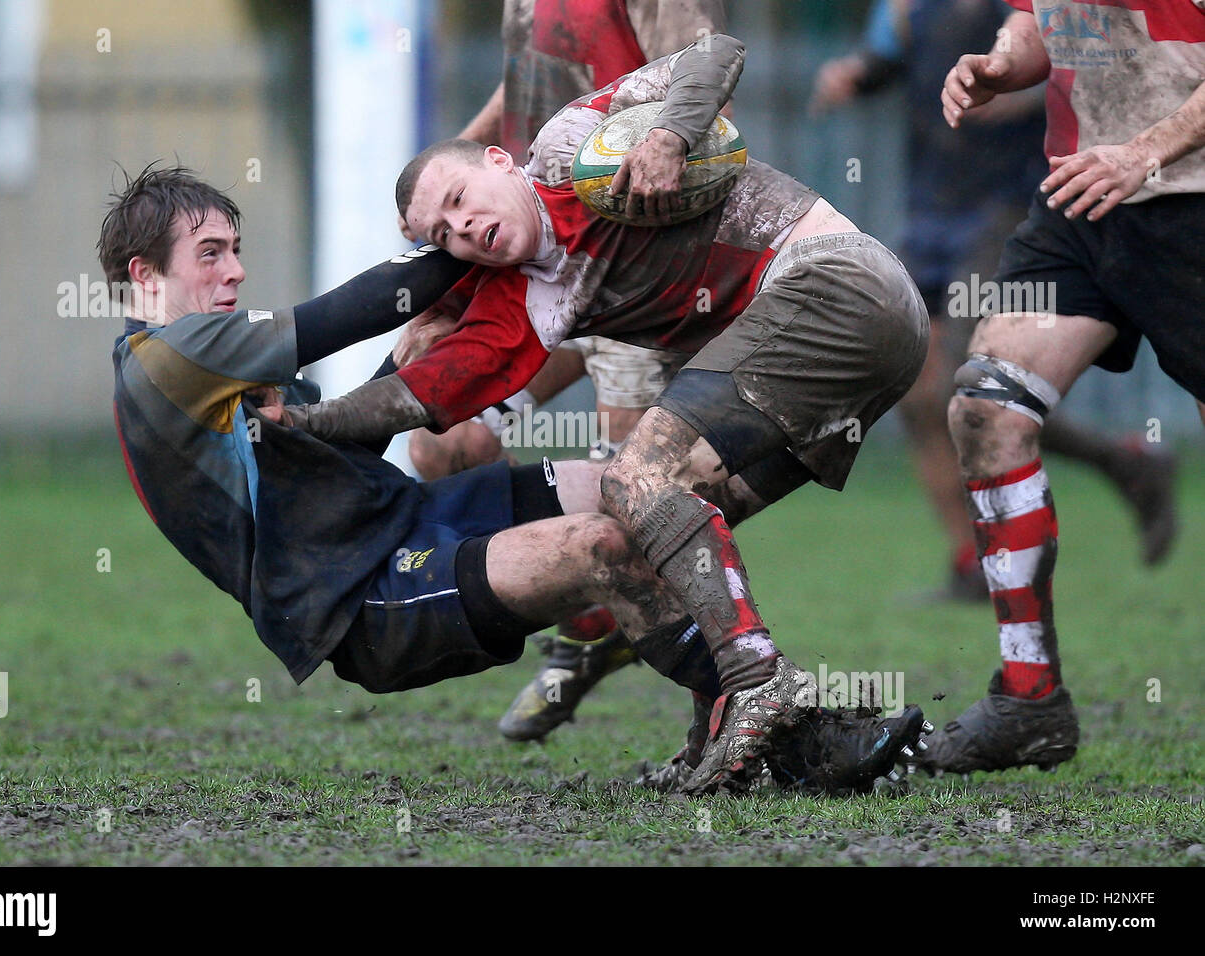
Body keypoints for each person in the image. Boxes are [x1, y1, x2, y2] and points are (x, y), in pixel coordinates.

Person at [103, 163, 923, 794]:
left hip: (405, 518)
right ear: (145, 276)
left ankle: (726, 720)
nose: (235, 273)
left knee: (645, 488)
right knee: (608, 546)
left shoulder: (195, 371)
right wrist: (496, 228)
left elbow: (343, 467)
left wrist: (407, 356)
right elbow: (350, 309)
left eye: (236, 252)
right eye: (210, 255)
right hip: (367, 600)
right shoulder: (162, 363)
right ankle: (794, 737)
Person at [280, 36, 933, 794]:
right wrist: (305, 422)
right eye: (443, 237)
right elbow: (418, 400)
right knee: (648, 536)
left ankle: (760, 681)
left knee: (634, 477)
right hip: (848, 343)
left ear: (498, 161)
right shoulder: (521, 303)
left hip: (842, 283)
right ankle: (756, 733)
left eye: (458, 202)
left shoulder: (565, 145)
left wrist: (667, 135)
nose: (462, 231)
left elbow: (715, 53)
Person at [406, 0, 727, 744]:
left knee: (641, 500)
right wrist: (442, 177)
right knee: (445, 438)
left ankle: (719, 695)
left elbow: (707, 94)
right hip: (533, 260)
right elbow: (529, 90)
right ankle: (586, 612)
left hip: (624, 259)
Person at [918, 1, 1205, 774]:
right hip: (1083, 203)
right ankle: (1029, 700)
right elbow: (1040, 17)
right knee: (984, 408)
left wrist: (1143, 152)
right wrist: (1004, 62)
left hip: (1192, 202)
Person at [811, 0, 1177, 600]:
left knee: (967, 382)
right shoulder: (906, 6)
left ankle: (1111, 473)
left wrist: (1024, 87)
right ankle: (972, 561)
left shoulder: (1039, 8)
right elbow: (886, 58)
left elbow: (1098, 64)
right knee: (915, 389)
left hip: (1011, 201)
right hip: (932, 203)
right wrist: (853, 74)